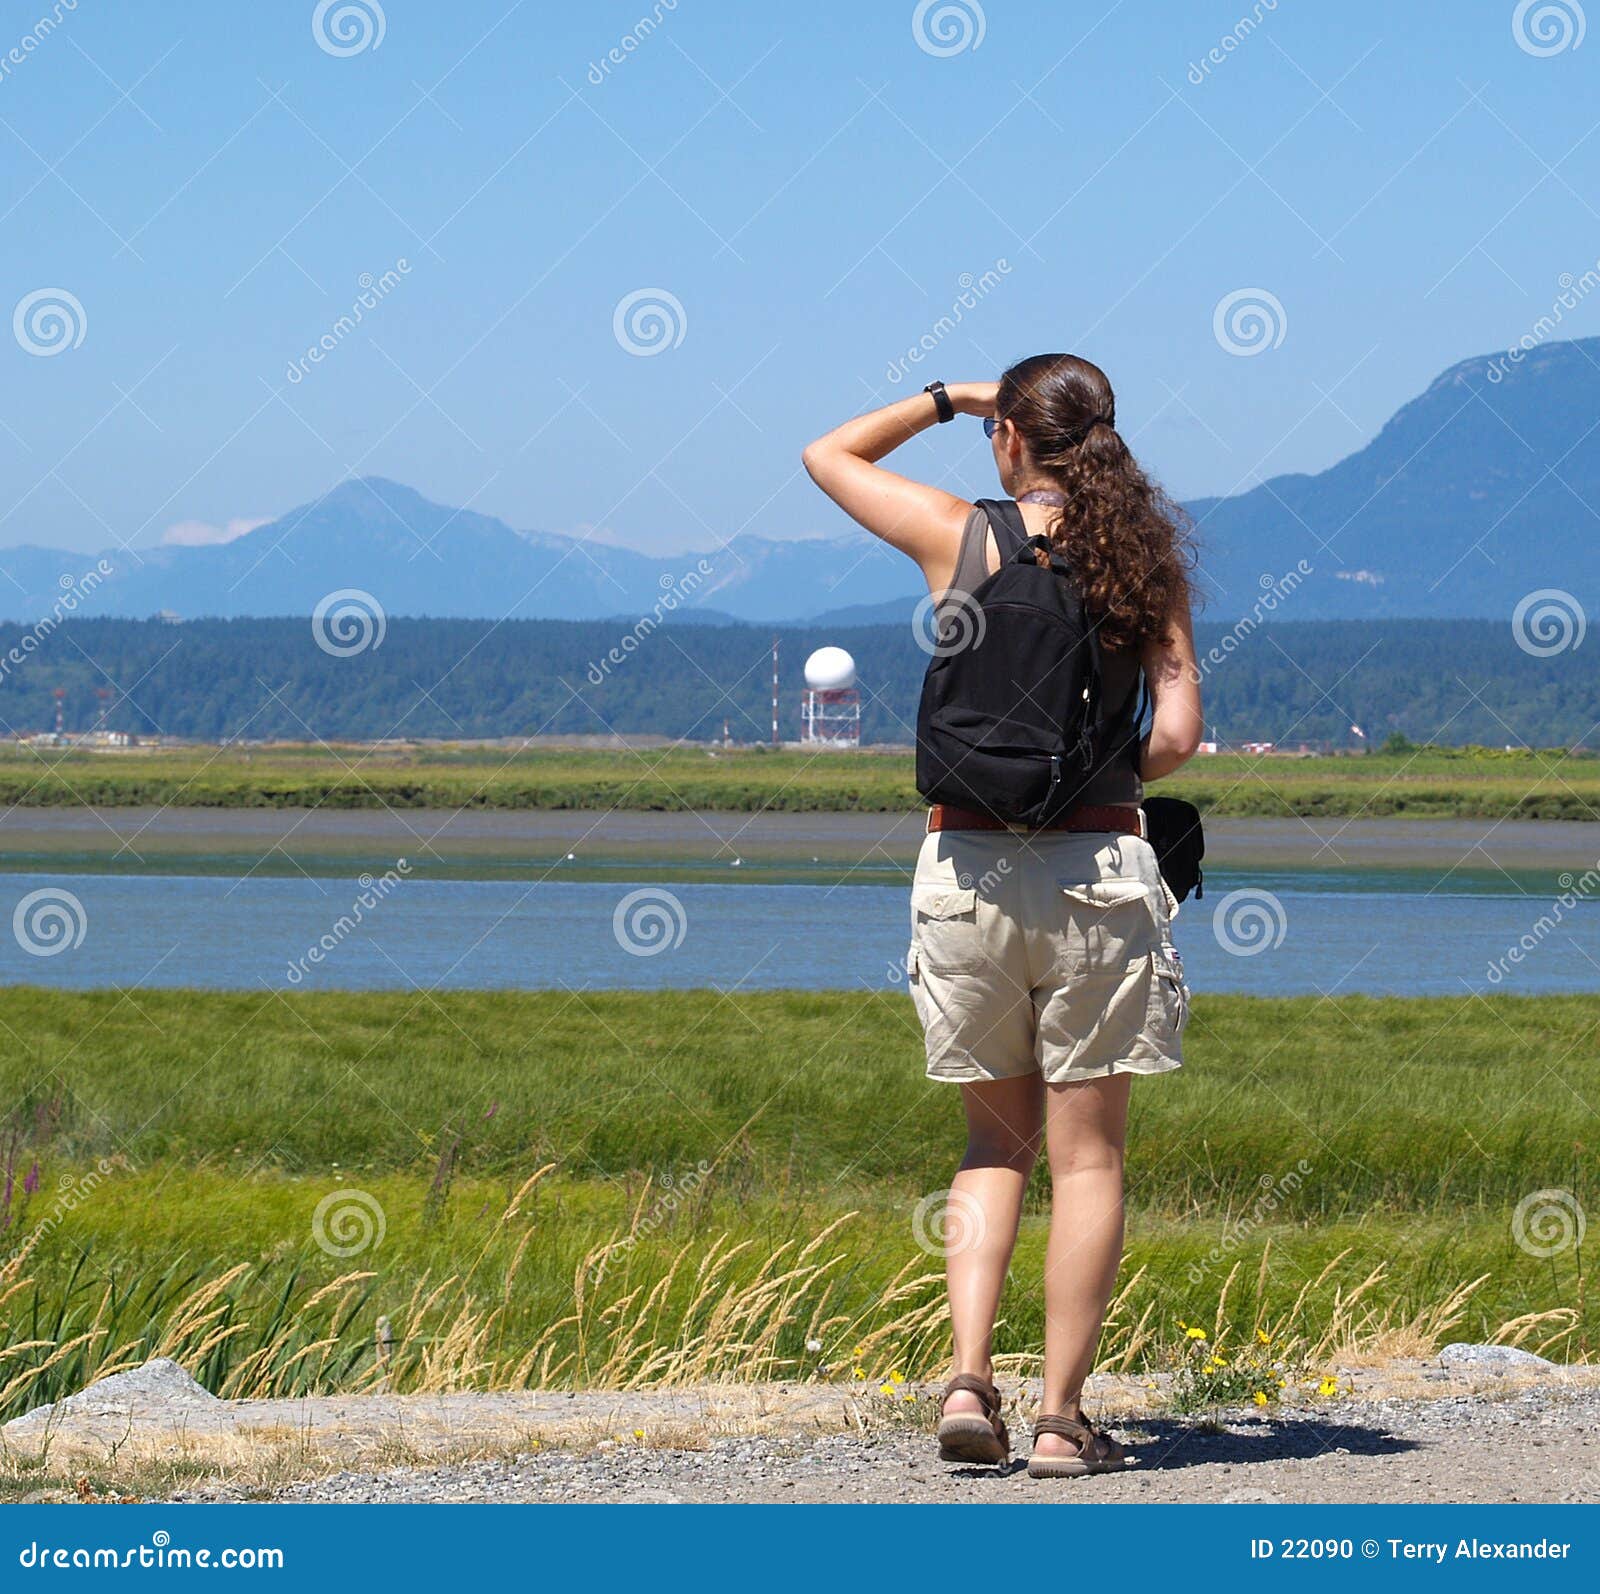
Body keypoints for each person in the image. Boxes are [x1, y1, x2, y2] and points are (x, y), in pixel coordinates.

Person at [801, 354, 1203, 1478]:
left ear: (1010, 439)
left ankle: (967, 1379)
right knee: (1089, 1159)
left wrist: (947, 399)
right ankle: (1061, 1421)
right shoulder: (1145, 561)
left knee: (993, 1143)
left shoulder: (956, 535)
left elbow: (824, 454)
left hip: (964, 866)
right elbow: (1174, 736)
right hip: (1097, 867)